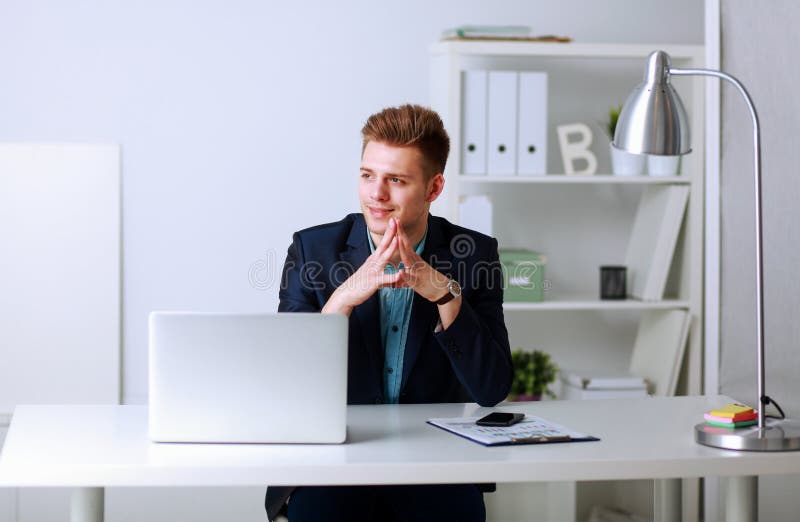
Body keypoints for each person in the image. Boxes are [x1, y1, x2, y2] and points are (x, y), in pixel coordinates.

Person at [265, 104, 512, 522]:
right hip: (334, 465)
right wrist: (343, 299)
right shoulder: (312, 250)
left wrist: (445, 294)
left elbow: (491, 389)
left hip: (436, 467)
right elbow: (288, 388)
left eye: (396, 180)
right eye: (367, 175)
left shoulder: (475, 256)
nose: (376, 194)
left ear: (434, 188)